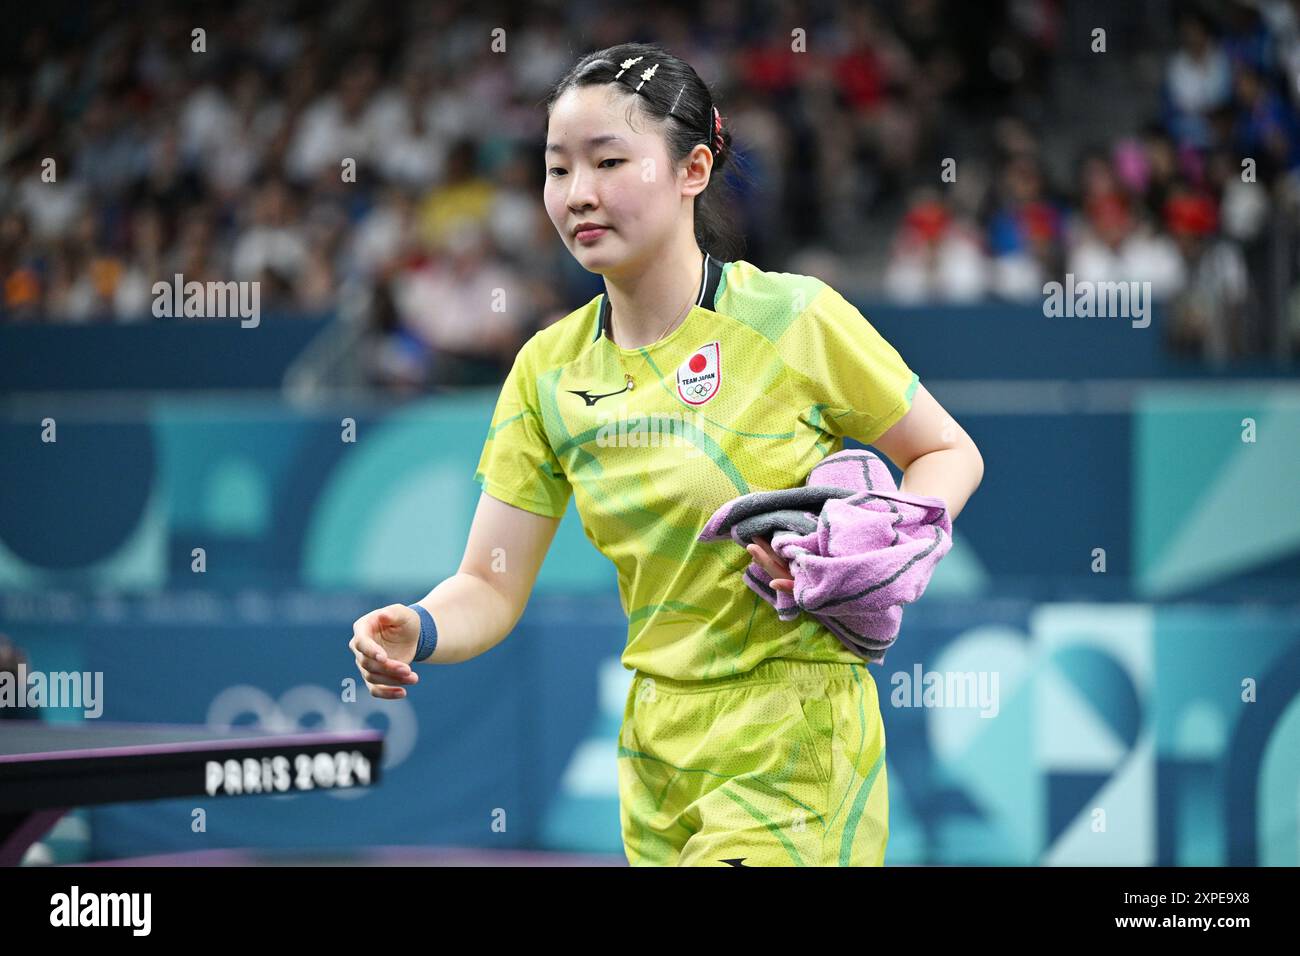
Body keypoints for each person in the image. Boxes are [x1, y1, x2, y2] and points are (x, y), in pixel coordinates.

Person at [348, 42, 984, 866]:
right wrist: (422, 627)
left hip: (792, 731)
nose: (579, 194)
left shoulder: (792, 319)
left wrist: (879, 539)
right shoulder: (547, 373)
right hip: (654, 744)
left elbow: (945, 451)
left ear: (692, 170)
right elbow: (490, 584)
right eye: (557, 169)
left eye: (609, 161)